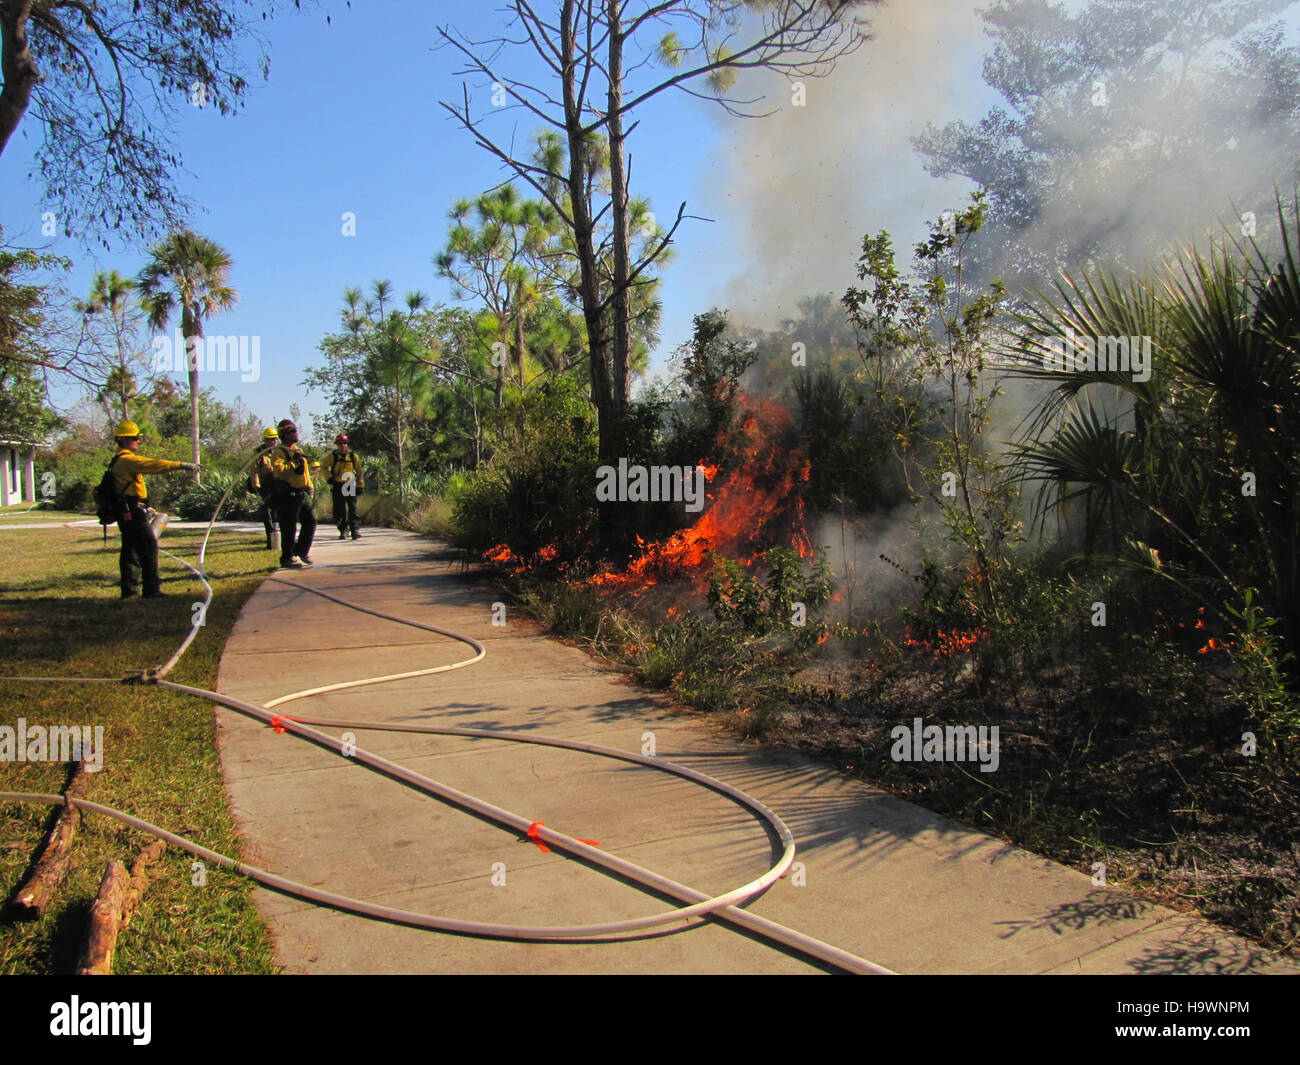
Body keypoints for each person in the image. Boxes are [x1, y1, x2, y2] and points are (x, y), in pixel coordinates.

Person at [108, 420, 198, 598]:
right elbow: (153, 464)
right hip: (131, 511)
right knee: (148, 546)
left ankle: (129, 590)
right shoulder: (127, 460)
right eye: (135, 438)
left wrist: (144, 506)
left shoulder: (118, 460)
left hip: (129, 509)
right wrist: (180, 465)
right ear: (124, 440)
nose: (138, 441)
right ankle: (150, 589)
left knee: (130, 549)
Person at [266, 418, 315, 569]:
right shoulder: (279, 452)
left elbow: (305, 471)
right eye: (293, 431)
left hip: (302, 493)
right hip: (288, 495)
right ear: (285, 435)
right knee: (289, 526)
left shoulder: (298, 451)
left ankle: (301, 550)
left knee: (311, 520)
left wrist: (310, 486)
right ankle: (287, 557)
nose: (296, 433)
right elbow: (279, 472)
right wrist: (293, 462)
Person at [326, 432, 365, 540]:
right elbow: (323, 467)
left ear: (347, 444)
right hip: (338, 484)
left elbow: (359, 471)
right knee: (339, 510)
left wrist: (360, 485)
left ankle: (355, 530)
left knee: (353, 509)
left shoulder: (353, 456)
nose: (342, 445)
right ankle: (343, 530)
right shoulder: (332, 456)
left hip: (349, 484)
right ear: (337, 444)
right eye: (340, 443)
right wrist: (329, 477)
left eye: (344, 443)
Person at [249, 427, 279, 550]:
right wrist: (257, 489)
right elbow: (254, 471)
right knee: (267, 515)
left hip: (278, 485)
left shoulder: (280, 451)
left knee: (279, 514)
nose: (273, 442)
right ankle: (270, 542)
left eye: (274, 439)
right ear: (265, 440)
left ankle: (280, 541)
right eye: (270, 439)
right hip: (265, 487)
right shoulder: (259, 453)